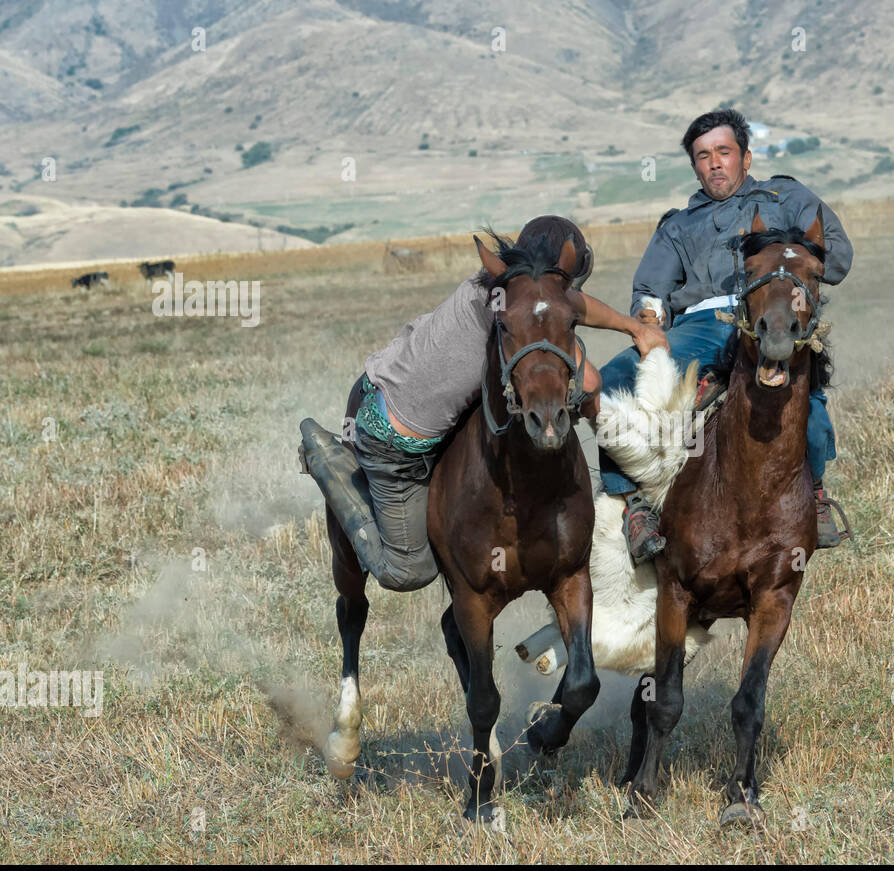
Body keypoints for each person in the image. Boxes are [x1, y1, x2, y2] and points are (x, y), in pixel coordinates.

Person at [300, 215, 666, 592]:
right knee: (408, 571)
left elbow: (567, 303)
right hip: (392, 440)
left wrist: (634, 327)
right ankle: (330, 464)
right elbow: (588, 380)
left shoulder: (502, 285)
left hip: (403, 399)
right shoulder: (510, 309)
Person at [597, 108, 854, 564]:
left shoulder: (786, 196)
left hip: (772, 317)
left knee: (805, 395)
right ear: (694, 166)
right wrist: (650, 322)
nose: (714, 163)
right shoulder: (677, 226)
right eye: (702, 156)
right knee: (613, 377)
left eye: (723, 152)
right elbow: (649, 290)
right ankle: (634, 504)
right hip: (699, 327)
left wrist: (795, 272)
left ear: (746, 157)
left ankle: (813, 496)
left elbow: (836, 258)